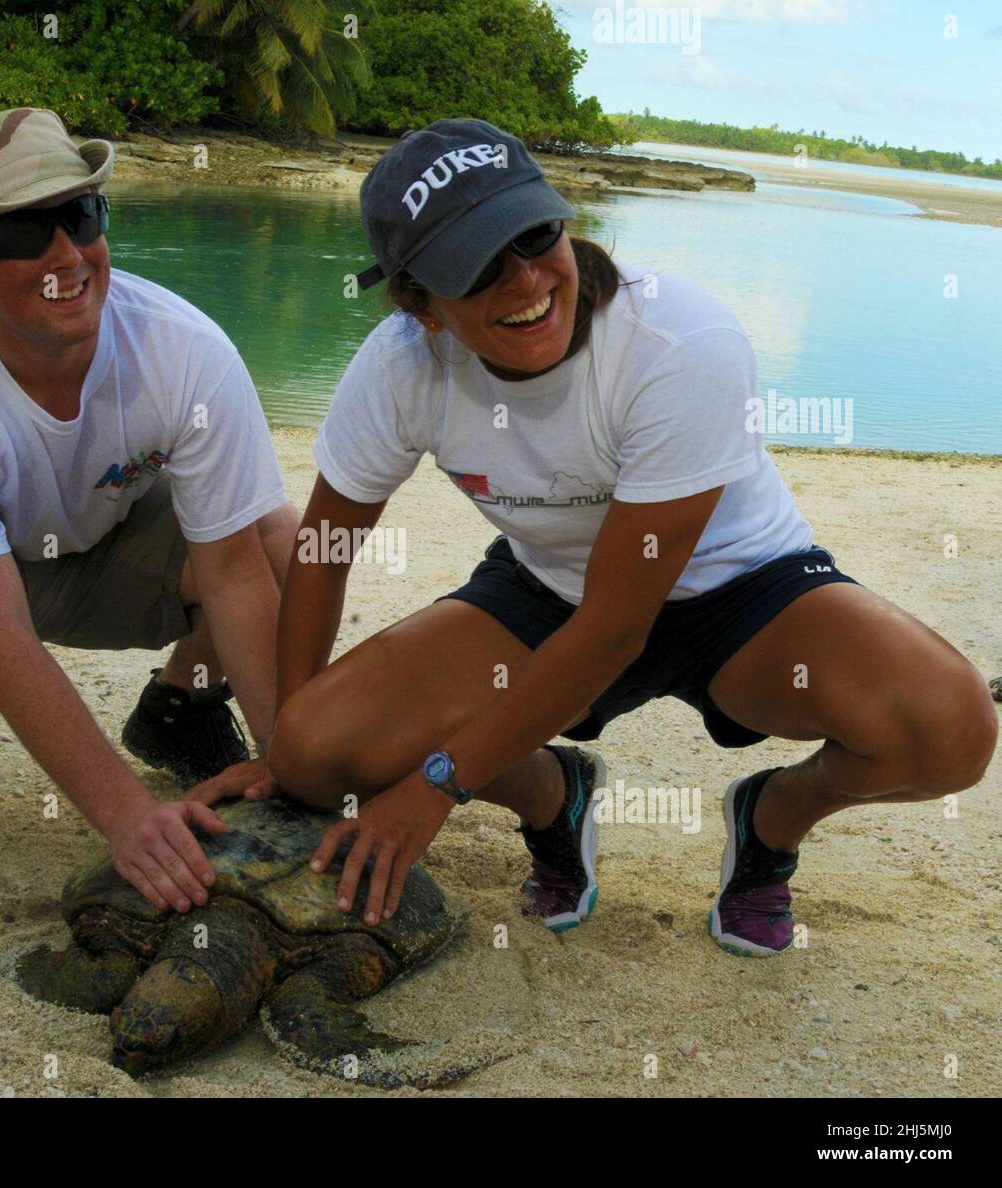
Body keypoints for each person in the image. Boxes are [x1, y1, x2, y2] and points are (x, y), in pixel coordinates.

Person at [190, 118, 997, 957]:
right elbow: (323, 553)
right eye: (476, 265)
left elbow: (618, 629)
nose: (526, 279)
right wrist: (284, 750)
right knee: (320, 751)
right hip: (550, 590)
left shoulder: (679, 341)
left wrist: (437, 784)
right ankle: (554, 796)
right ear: (419, 304)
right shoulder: (400, 369)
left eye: (535, 234)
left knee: (950, 728)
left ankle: (772, 818)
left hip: (747, 592)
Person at [0, 108, 298, 916]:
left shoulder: (183, 350)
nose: (67, 257)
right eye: (22, 234)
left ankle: (181, 707)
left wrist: (291, 771)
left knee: (278, 539)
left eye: (81, 216)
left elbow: (234, 574)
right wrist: (126, 818)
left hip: (101, 534)